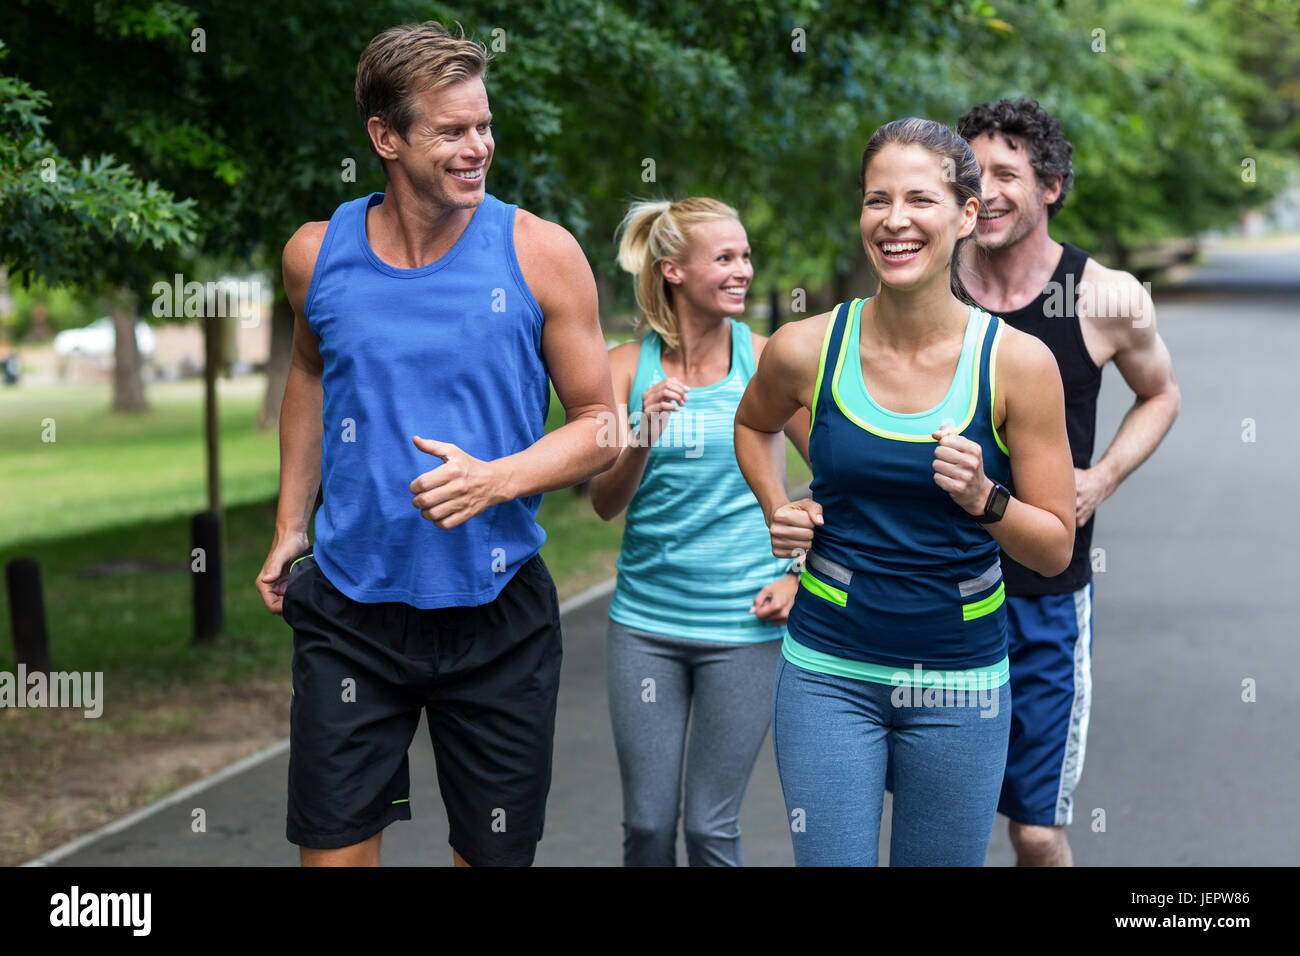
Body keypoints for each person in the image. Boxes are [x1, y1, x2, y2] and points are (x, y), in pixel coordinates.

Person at [253, 21, 618, 868]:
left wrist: (498, 480)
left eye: (484, 126)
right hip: (351, 611)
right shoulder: (317, 255)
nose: (478, 147)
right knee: (334, 855)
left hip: (498, 617)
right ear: (385, 137)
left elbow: (603, 423)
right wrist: (287, 523)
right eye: (451, 131)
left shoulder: (540, 252)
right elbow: (307, 377)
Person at [734, 117, 1076, 866]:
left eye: (919, 200)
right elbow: (753, 424)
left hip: (960, 679)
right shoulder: (807, 346)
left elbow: (1054, 550)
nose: (893, 221)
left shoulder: (1017, 364)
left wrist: (988, 497)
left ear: (965, 215)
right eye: (874, 200)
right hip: (829, 669)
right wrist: (777, 510)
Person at [955, 99, 1181, 866]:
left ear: (1050, 185)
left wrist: (1104, 475)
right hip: (933, 586)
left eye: (1005, 173)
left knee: (1038, 831)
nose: (982, 190)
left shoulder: (1105, 296)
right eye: (971, 173)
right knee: (939, 822)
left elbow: (1162, 394)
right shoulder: (927, 285)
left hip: (1045, 592)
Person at [591, 197, 812, 866]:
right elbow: (604, 504)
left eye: (745, 255)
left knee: (711, 831)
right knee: (649, 828)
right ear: (674, 272)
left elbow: (839, 475)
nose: (743, 269)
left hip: (744, 627)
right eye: (725, 258)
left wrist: (800, 575)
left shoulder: (767, 361)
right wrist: (640, 437)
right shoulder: (627, 368)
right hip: (645, 628)